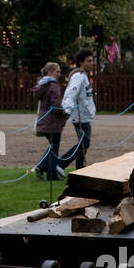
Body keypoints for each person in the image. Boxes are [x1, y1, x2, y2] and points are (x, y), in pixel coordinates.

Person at [32, 61, 68, 189]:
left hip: (44, 120)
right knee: (54, 148)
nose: (59, 73)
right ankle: (51, 174)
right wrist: (65, 113)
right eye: (57, 71)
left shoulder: (43, 85)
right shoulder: (53, 86)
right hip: (52, 122)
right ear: (50, 72)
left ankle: (41, 167)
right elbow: (56, 105)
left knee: (52, 146)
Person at [62, 48, 95, 168]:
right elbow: (70, 94)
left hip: (85, 115)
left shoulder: (84, 76)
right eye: (89, 61)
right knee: (84, 144)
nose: (92, 63)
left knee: (84, 144)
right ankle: (61, 163)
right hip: (80, 117)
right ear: (81, 62)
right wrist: (68, 109)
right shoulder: (79, 76)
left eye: (92, 60)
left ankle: (80, 168)